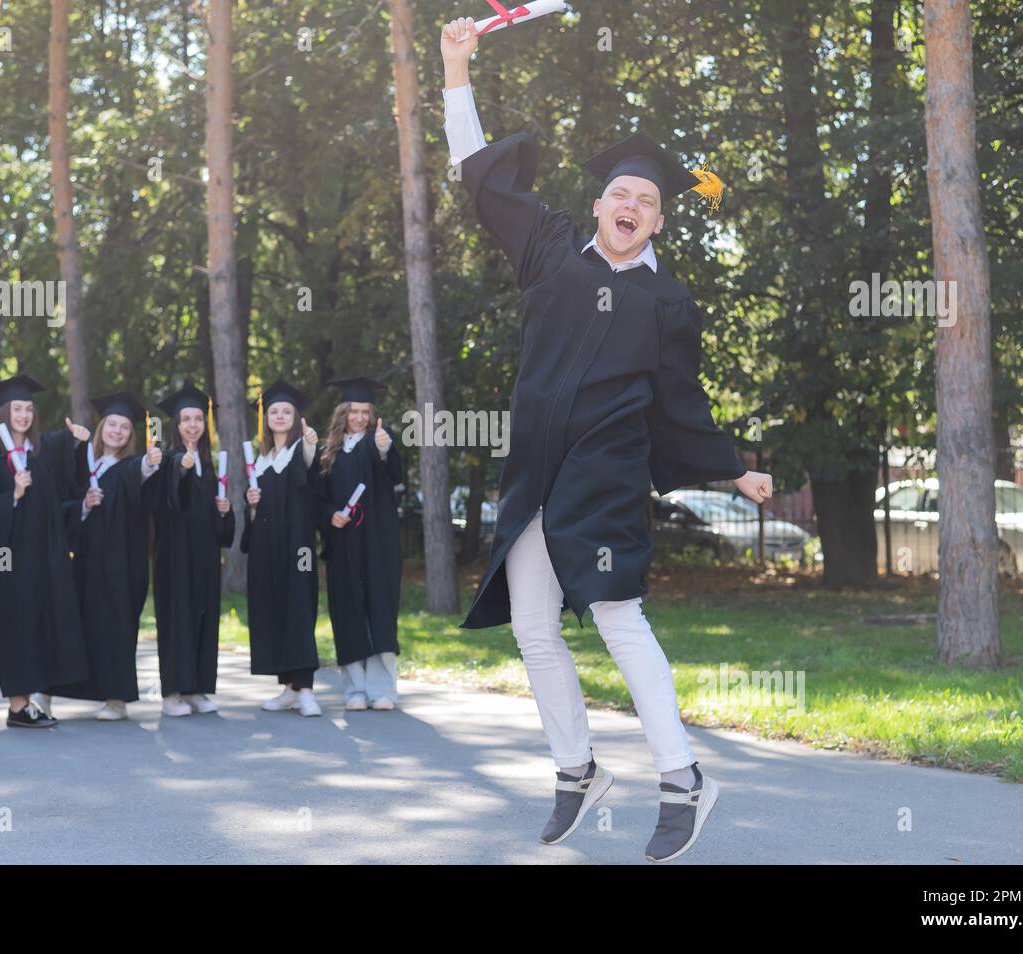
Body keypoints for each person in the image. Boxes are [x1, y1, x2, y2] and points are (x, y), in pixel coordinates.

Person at [440, 18, 774, 862]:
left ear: (661, 221)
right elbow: (480, 177)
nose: (632, 207)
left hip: (608, 474)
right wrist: (454, 69)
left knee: (620, 618)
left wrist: (732, 471)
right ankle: (576, 770)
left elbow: (681, 404)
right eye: (621, 194)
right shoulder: (551, 251)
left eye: (649, 202)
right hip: (537, 474)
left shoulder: (668, 303)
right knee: (534, 628)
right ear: (598, 204)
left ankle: (684, 779)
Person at [0, 374, 90, 729]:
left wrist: (81, 443)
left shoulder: (43, 456)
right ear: (3, 414)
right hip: (10, 560)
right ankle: (17, 705)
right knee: (16, 625)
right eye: (16, 408)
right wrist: (14, 496)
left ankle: (37, 699)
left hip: (46, 557)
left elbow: (67, 491)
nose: (23, 415)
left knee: (46, 622)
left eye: (28, 408)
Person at [48, 392, 163, 720]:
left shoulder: (130, 466)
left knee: (116, 627)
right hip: (85, 561)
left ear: (131, 435)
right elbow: (63, 505)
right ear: (101, 428)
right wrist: (84, 505)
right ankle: (55, 691)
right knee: (77, 625)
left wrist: (149, 463)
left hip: (121, 564)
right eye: (111, 424)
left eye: (124, 427)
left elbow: (138, 477)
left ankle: (116, 698)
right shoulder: (84, 465)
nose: (117, 431)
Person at [317, 377, 404, 711]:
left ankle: (383, 689)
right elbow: (319, 497)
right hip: (344, 543)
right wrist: (330, 516)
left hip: (379, 542)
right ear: (343, 413)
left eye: (365, 411)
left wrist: (385, 448)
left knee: (381, 611)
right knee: (349, 611)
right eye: (354, 411)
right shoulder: (330, 452)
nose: (360, 417)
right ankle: (354, 688)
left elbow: (396, 473)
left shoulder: (378, 442)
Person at [152, 382, 236, 718]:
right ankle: (172, 692)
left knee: (204, 616)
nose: (192, 424)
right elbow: (171, 501)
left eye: (198, 418)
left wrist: (224, 512)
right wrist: (181, 470)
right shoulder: (168, 459)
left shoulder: (208, 463)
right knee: (177, 619)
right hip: (173, 556)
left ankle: (198, 688)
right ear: (176, 424)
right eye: (185, 418)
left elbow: (217, 527)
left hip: (203, 556)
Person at [241, 380, 322, 718]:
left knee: (299, 606)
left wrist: (311, 445)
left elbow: (311, 470)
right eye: (273, 411)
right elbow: (257, 514)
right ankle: (287, 688)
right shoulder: (260, 460)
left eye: (286, 411)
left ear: (296, 416)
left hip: (299, 548)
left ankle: (305, 689)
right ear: (266, 418)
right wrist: (252, 504)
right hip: (265, 548)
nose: (279, 415)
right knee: (273, 607)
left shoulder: (300, 450)